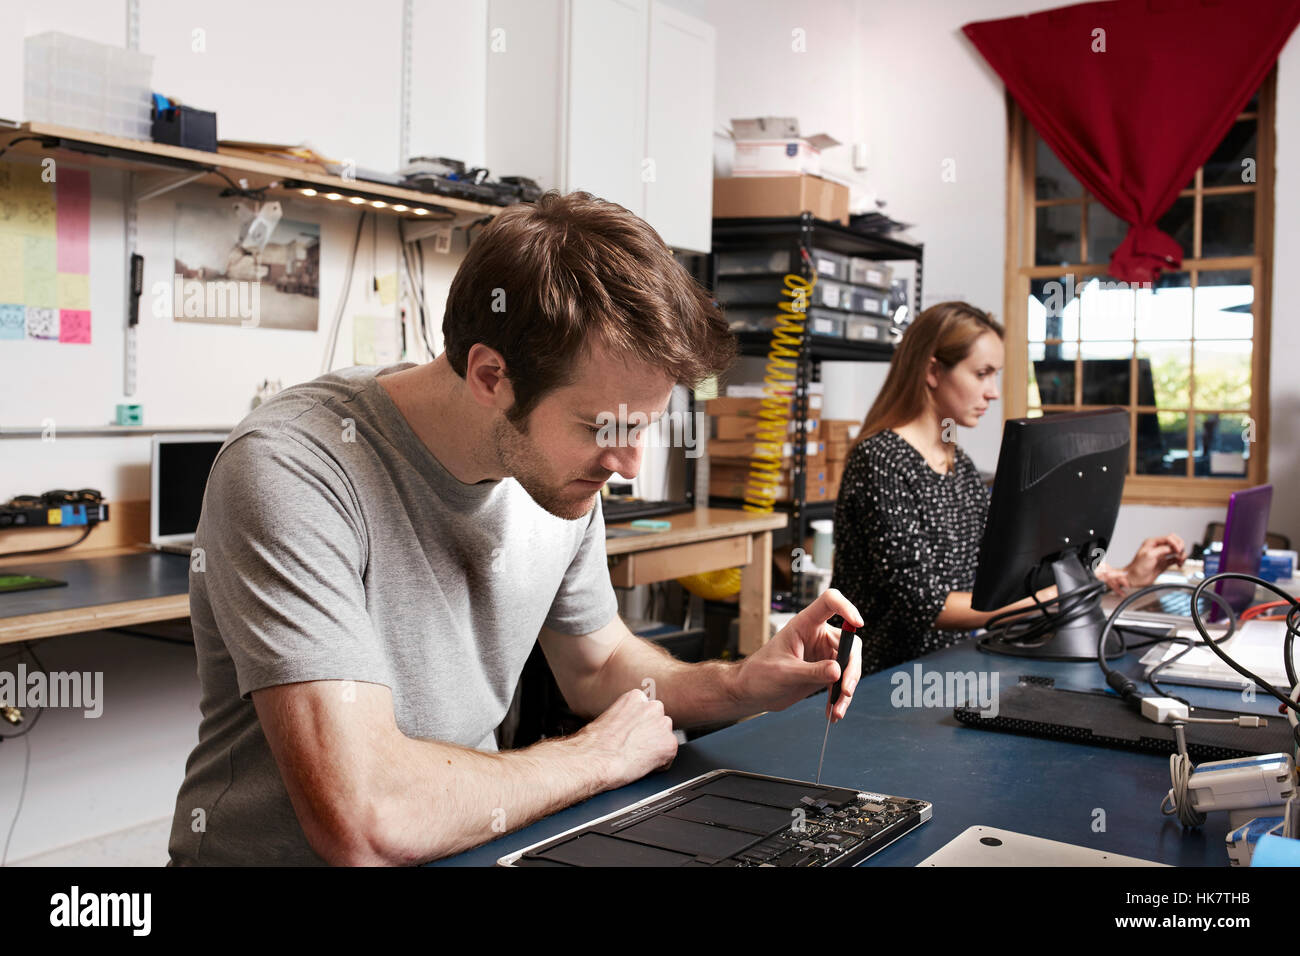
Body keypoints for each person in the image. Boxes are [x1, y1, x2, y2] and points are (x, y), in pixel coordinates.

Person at [168, 191, 864, 866]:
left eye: (641, 428)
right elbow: (364, 818)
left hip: (471, 843)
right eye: (601, 428)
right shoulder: (293, 470)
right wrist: (593, 758)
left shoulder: (556, 477)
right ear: (490, 375)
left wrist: (740, 684)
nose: (626, 464)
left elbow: (596, 665)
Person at [829, 301, 1185, 676]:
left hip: (944, 672)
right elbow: (926, 607)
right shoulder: (881, 460)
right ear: (933, 371)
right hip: (875, 681)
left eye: (995, 375)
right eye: (982, 374)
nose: (993, 392)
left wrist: (1114, 574)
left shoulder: (958, 464)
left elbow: (1010, 576)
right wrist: (1060, 595)